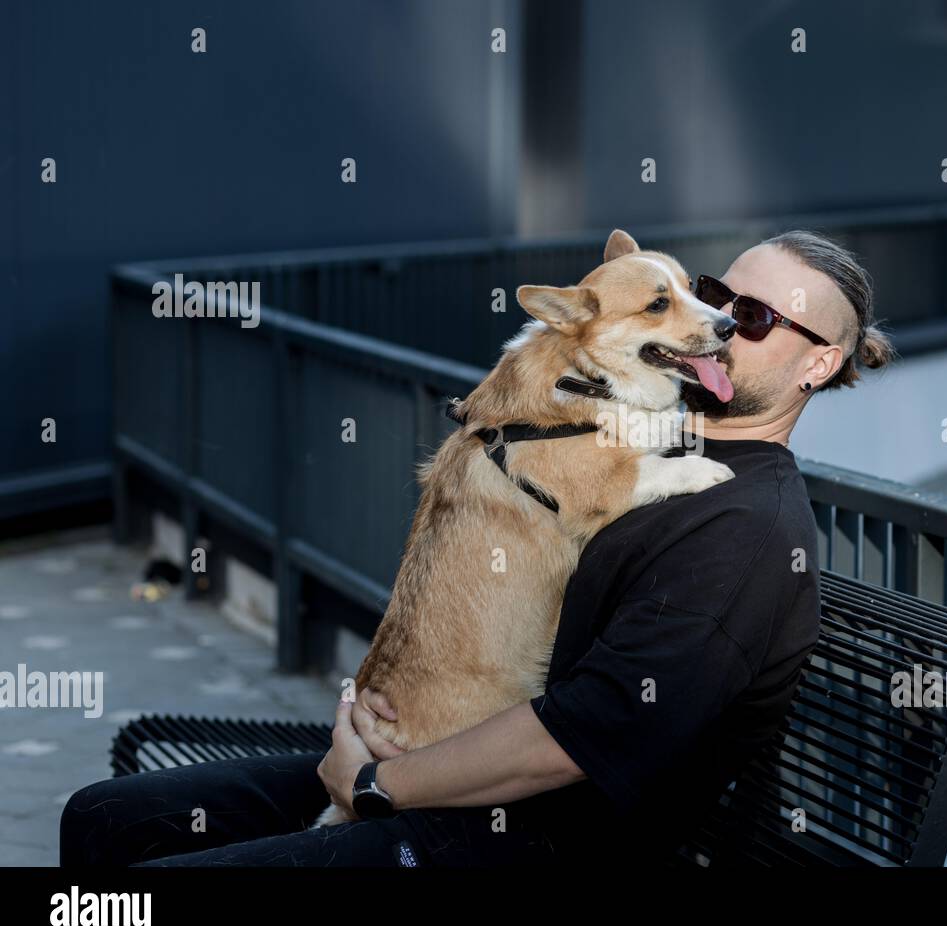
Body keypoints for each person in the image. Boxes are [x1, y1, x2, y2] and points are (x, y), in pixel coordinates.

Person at [59, 230, 894, 866]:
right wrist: (388, 700)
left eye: (752, 317)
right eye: (716, 294)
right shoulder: (648, 436)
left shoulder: (743, 527)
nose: (718, 322)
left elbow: (582, 738)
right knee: (101, 818)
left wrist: (373, 783)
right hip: (445, 751)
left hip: (532, 835)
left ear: (818, 364)